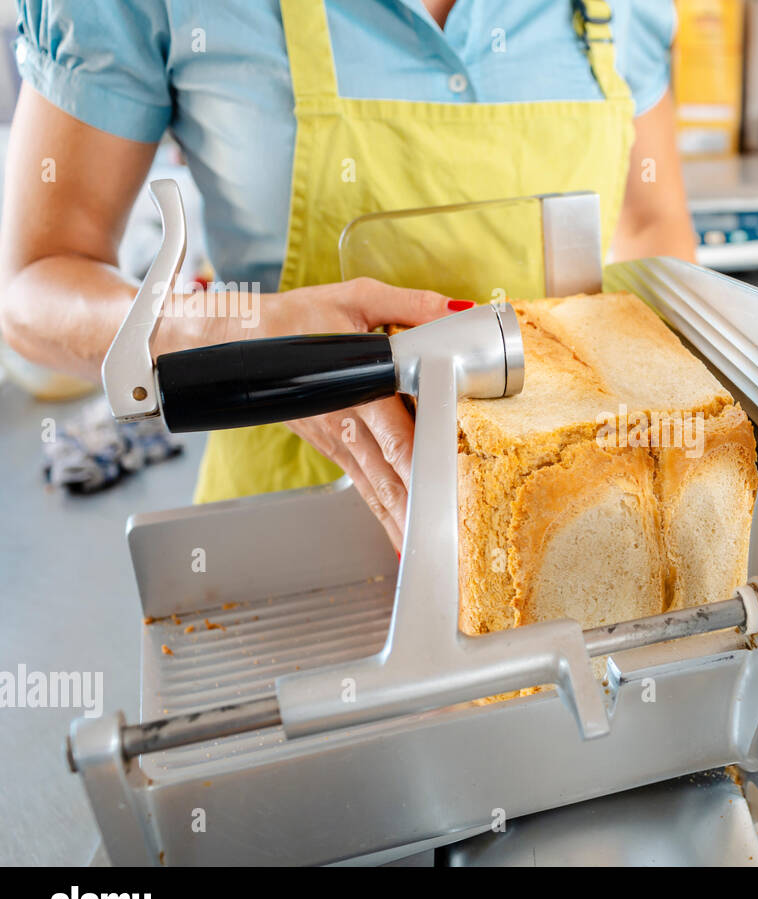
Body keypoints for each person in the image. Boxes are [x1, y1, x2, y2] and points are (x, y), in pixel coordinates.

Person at [0, 0, 697, 548]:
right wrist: (248, 331)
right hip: (283, 545)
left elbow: (649, 229)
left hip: (568, 531)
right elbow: (34, 284)